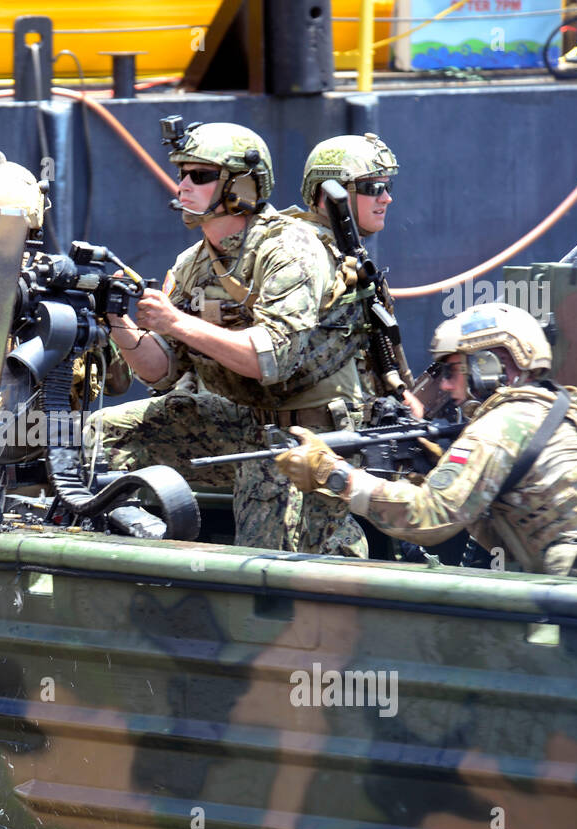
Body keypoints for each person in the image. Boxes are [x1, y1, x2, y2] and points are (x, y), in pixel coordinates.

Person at [93, 120, 370, 555]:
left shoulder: (290, 249)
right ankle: (127, 540)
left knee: (268, 557)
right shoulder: (193, 264)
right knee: (101, 435)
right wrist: (116, 320)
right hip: (243, 423)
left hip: (310, 437)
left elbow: (273, 359)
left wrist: (175, 322)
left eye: (200, 176)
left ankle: (339, 544)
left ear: (241, 186)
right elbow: (163, 371)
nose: (183, 185)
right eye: (183, 173)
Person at [277, 302, 577, 583]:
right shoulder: (570, 407)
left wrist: (335, 475)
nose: (444, 386)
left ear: (489, 366)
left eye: (451, 370)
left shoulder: (503, 423)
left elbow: (429, 518)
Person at [290, 133, 419, 415]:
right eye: (373, 188)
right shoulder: (310, 256)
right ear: (328, 195)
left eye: (387, 186)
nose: (387, 198)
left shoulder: (341, 253)